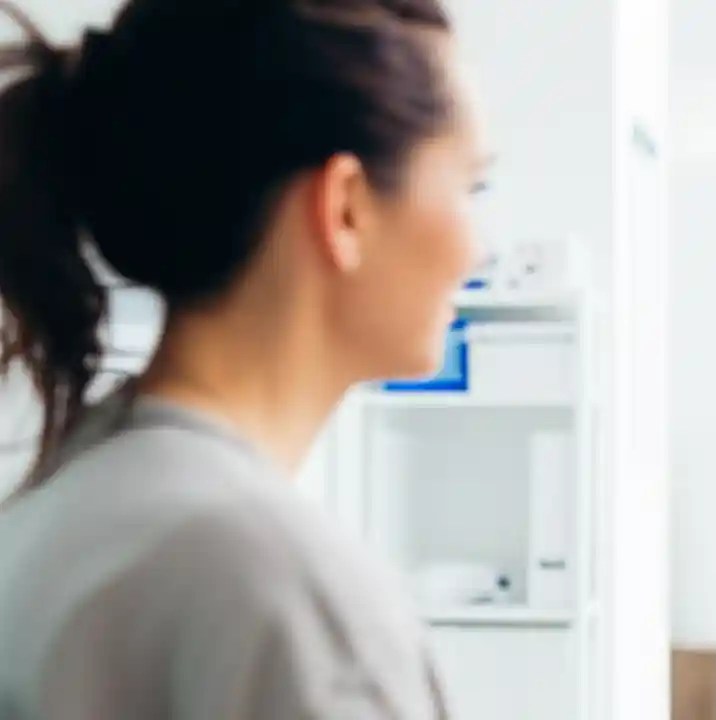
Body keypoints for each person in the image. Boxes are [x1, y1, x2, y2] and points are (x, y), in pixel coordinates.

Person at [0, 0, 487, 717]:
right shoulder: (287, 593)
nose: (479, 249)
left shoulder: (56, 508)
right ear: (346, 206)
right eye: (471, 186)